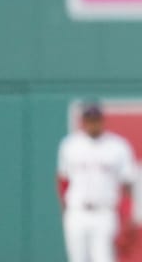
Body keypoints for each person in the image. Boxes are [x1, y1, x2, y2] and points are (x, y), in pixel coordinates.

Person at [57, 101, 137, 262]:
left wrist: (127, 216)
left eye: (96, 119)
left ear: (102, 120)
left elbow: (127, 184)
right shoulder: (71, 145)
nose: (93, 123)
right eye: (89, 119)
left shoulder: (117, 146)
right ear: (83, 121)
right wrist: (66, 209)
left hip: (105, 212)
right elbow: (62, 181)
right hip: (77, 211)